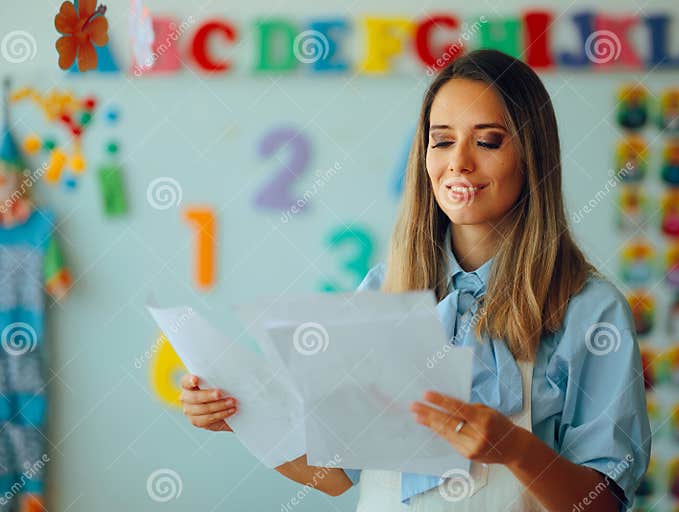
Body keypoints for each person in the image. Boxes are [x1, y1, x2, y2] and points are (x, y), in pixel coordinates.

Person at [179, 49, 651, 511]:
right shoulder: (382, 289)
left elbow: (602, 504)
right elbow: (337, 475)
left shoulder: (591, 309)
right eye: (442, 141)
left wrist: (515, 448)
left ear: (533, 156)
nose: (458, 162)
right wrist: (238, 416)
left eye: (488, 141)